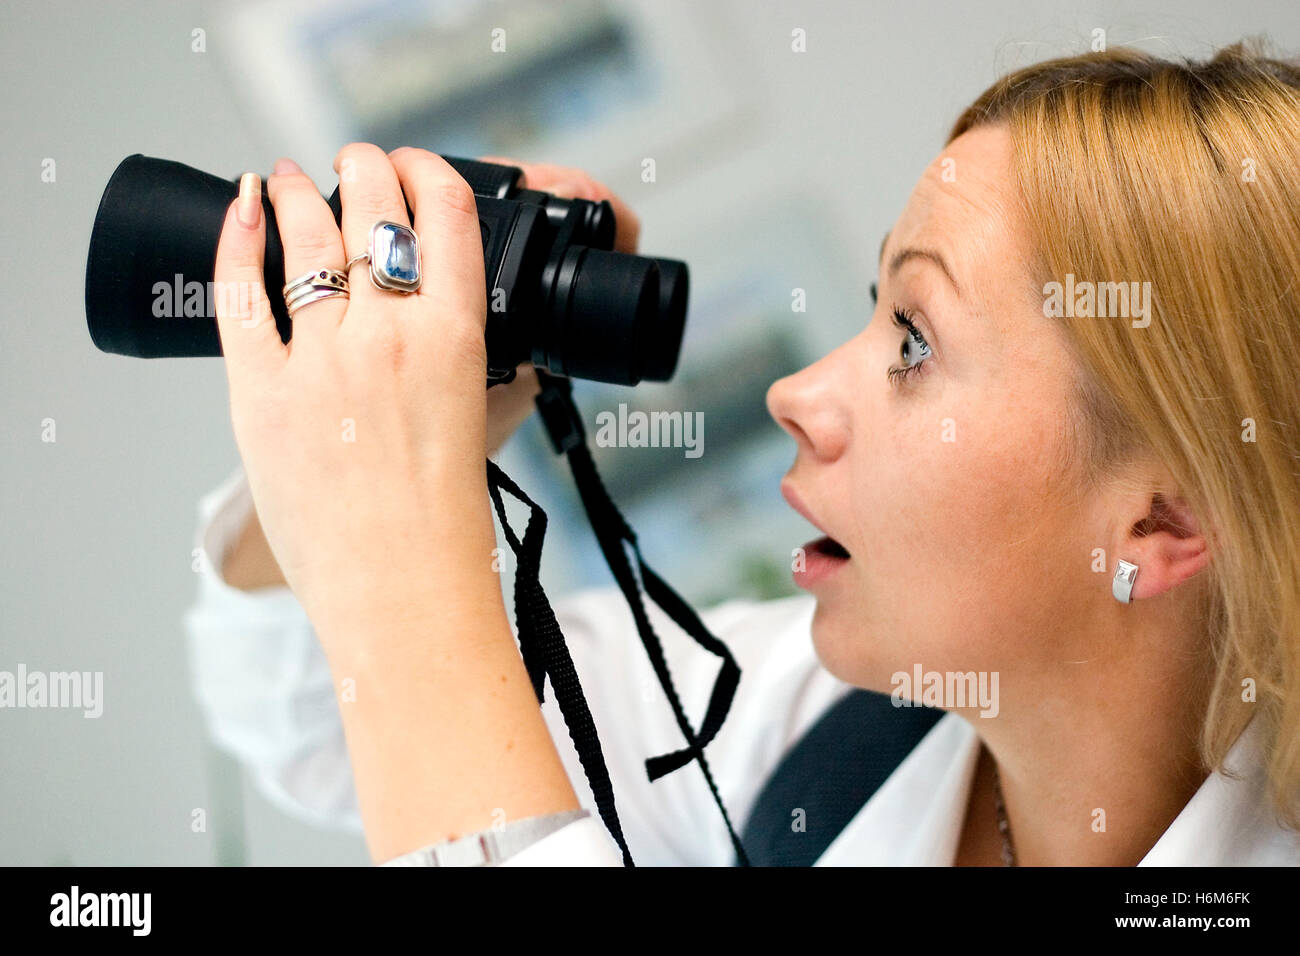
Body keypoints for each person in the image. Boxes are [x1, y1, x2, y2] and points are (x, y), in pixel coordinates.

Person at [185, 41, 1300, 866]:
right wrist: (458, 406)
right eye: (874, 306)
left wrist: (405, 559)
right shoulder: (812, 732)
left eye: (913, 338)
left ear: (1163, 524)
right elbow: (317, 715)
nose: (796, 392)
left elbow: (418, 701)